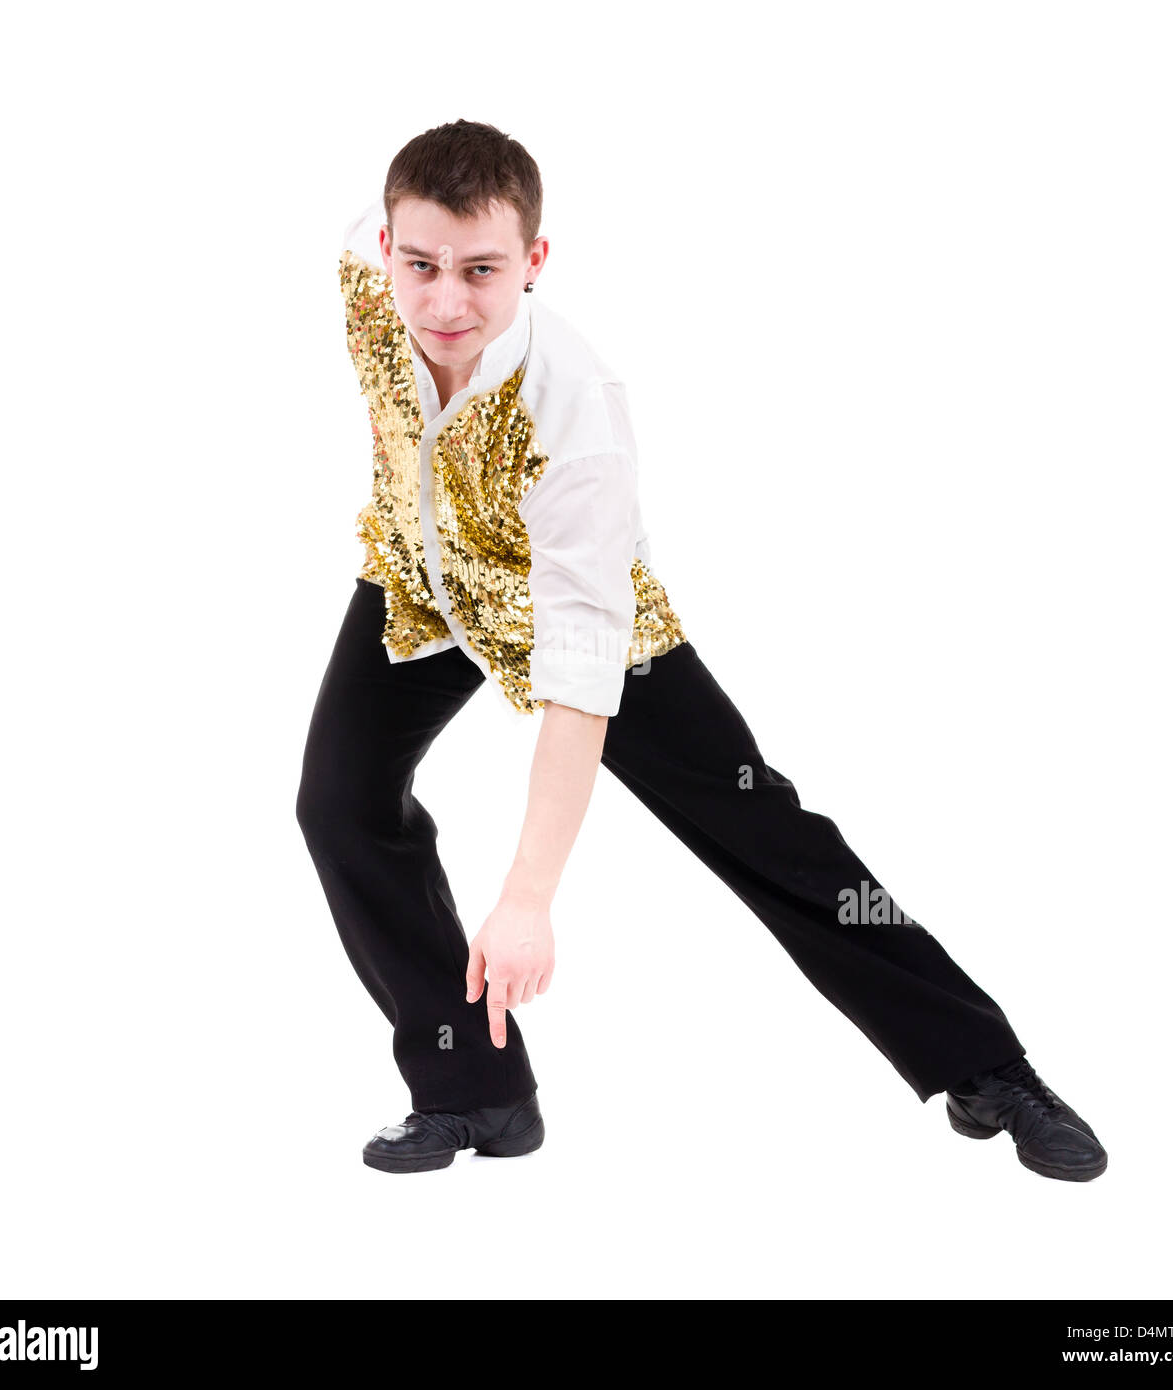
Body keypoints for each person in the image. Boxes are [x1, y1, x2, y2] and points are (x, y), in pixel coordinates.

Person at [295, 119, 1107, 1182]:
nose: (445, 301)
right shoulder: (368, 270)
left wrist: (528, 896)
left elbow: (580, 681)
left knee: (767, 828)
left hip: (572, 613)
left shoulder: (576, 413)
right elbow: (400, 256)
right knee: (341, 803)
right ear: (390, 242)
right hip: (420, 579)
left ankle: (987, 1066)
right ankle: (474, 1092)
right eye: (423, 264)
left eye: (482, 270)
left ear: (534, 263)